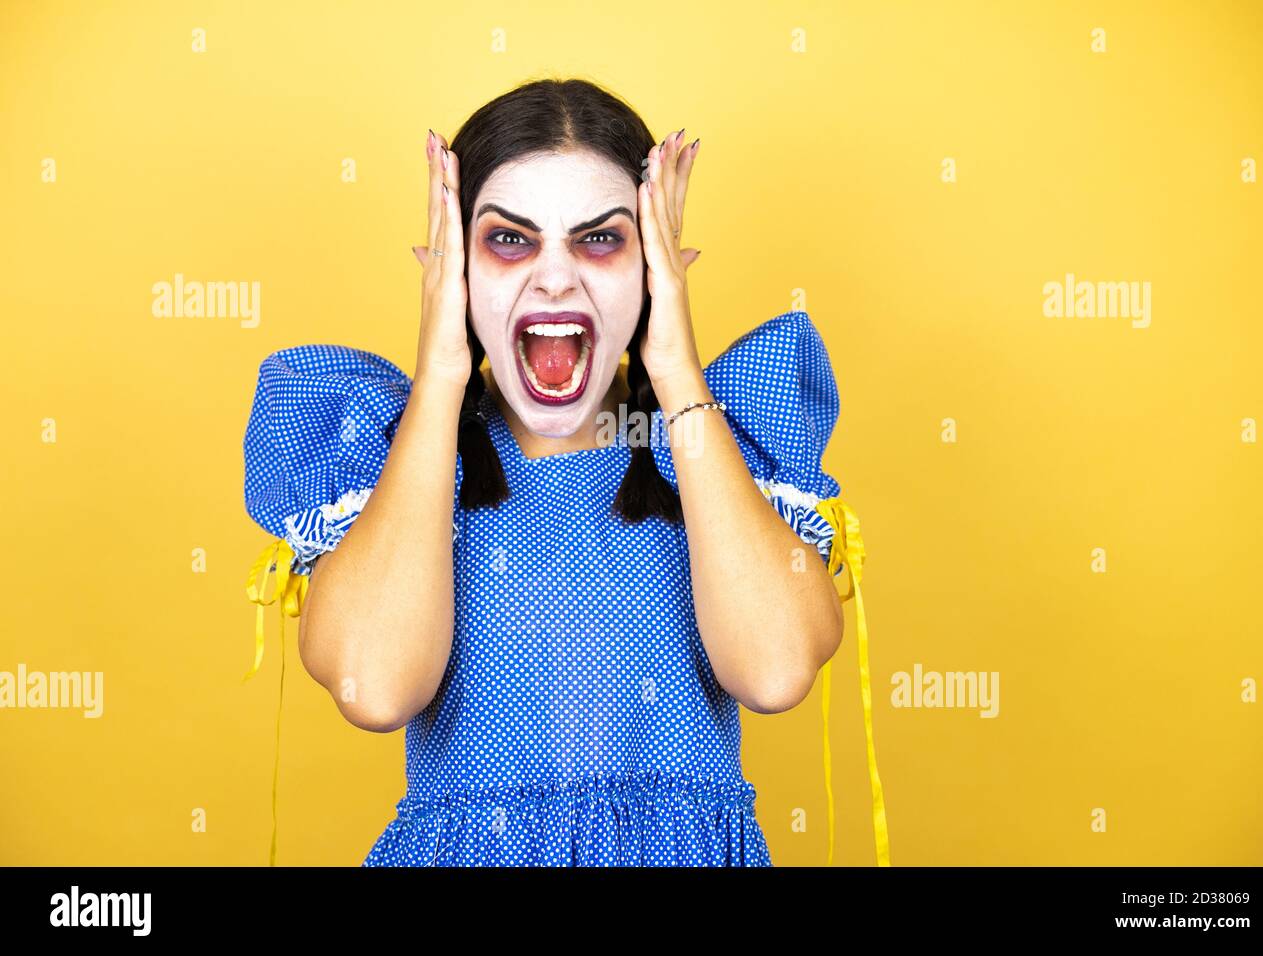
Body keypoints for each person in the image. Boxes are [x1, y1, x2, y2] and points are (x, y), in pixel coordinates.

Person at [242, 77, 885, 866]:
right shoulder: (394, 462)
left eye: (601, 239)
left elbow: (778, 671)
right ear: (455, 269)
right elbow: (372, 690)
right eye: (508, 240)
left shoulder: (717, 454)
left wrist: (677, 370)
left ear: (656, 267)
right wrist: (441, 372)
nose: (553, 278)